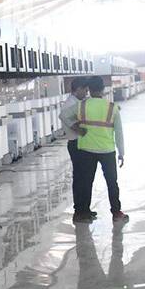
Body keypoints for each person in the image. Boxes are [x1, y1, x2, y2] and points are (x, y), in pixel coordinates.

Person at [71, 76, 126, 224]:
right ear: (102, 90)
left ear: (89, 89)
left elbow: (64, 116)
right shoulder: (112, 107)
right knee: (111, 182)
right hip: (107, 150)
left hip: (86, 149)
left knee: (86, 182)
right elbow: (119, 132)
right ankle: (116, 212)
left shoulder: (80, 106)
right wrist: (121, 153)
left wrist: (76, 129)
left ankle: (83, 213)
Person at [60, 78, 92, 216]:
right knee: (80, 177)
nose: (86, 92)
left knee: (85, 177)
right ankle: (80, 209)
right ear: (78, 88)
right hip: (76, 143)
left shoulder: (78, 102)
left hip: (81, 143)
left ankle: (85, 208)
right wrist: (79, 129)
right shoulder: (70, 104)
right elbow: (64, 117)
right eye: (85, 90)